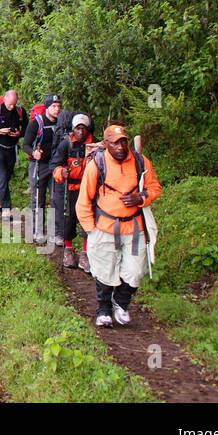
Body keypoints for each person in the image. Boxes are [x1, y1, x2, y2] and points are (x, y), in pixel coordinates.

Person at [76, 124, 161, 327]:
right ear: (106, 145)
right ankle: (103, 309)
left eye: (123, 141)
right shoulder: (97, 165)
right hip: (104, 227)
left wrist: (140, 198)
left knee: (135, 271)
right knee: (104, 270)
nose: (121, 147)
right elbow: (84, 201)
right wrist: (91, 230)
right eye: (115, 143)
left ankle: (121, 303)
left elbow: (154, 187)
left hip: (134, 227)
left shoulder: (140, 162)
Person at [51, 114, 94, 270]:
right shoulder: (66, 145)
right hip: (68, 188)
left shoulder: (94, 145)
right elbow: (54, 165)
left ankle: (85, 253)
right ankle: (68, 250)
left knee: (87, 221)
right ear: (73, 129)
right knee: (67, 220)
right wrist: (61, 172)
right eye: (77, 128)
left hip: (87, 188)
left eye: (83, 128)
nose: (80, 132)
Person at [24, 94, 62, 245]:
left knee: (56, 199)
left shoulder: (62, 123)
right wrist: (34, 153)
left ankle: (55, 233)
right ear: (47, 107)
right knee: (38, 198)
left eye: (59, 106)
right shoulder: (36, 123)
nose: (57, 109)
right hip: (39, 166)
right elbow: (25, 144)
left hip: (56, 165)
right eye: (53, 106)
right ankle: (37, 231)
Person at [0, 89, 26, 215]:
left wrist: (19, 134)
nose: (12, 106)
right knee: (2, 177)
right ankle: (6, 209)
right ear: (5, 99)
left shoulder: (20, 111)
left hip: (12, 148)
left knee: (6, 177)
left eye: (14, 103)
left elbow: (26, 128)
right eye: (10, 104)